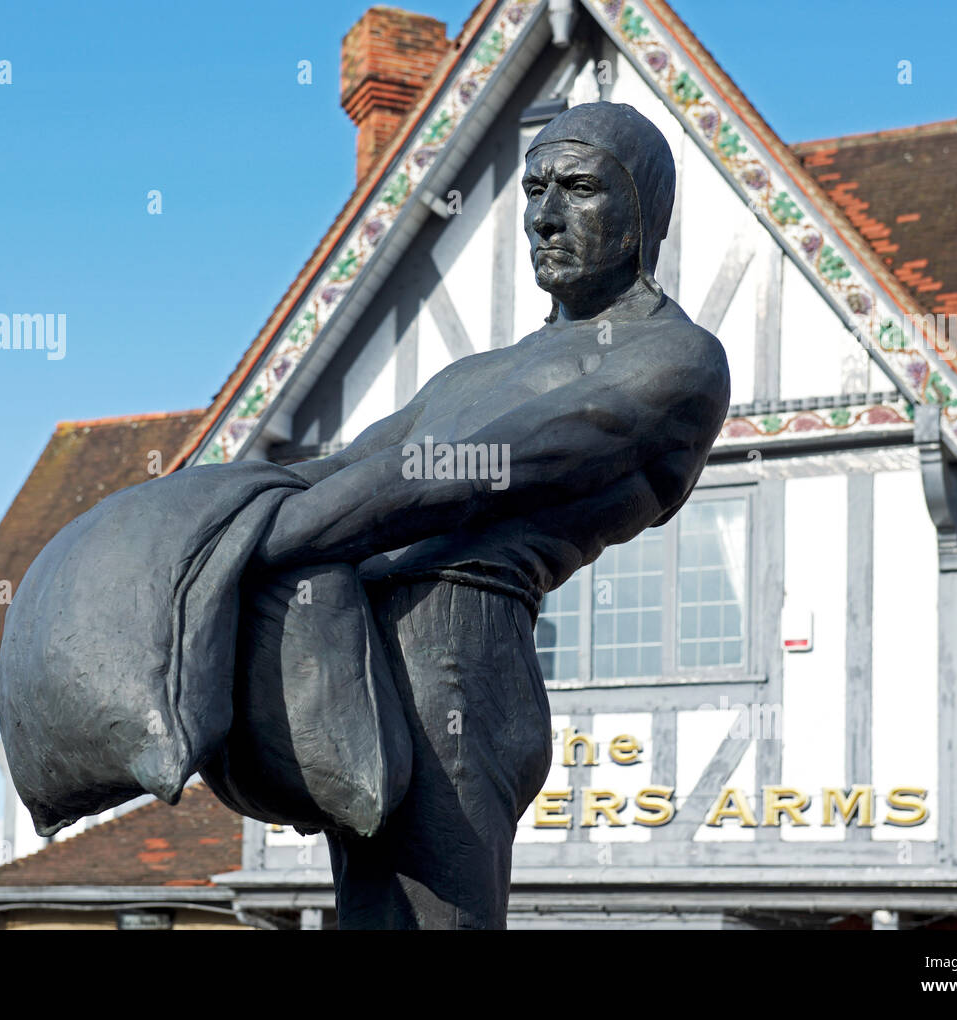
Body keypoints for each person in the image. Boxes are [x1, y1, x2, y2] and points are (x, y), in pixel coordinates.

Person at [251, 102, 731, 928]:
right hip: (362, 659)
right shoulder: (473, 373)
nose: (546, 216)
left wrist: (247, 545)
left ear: (645, 208)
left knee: (434, 920)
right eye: (534, 189)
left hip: (461, 661)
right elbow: (332, 470)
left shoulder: (677, 361)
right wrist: (205, 515)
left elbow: (458, 477)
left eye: (578, 189)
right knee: (371, 917)